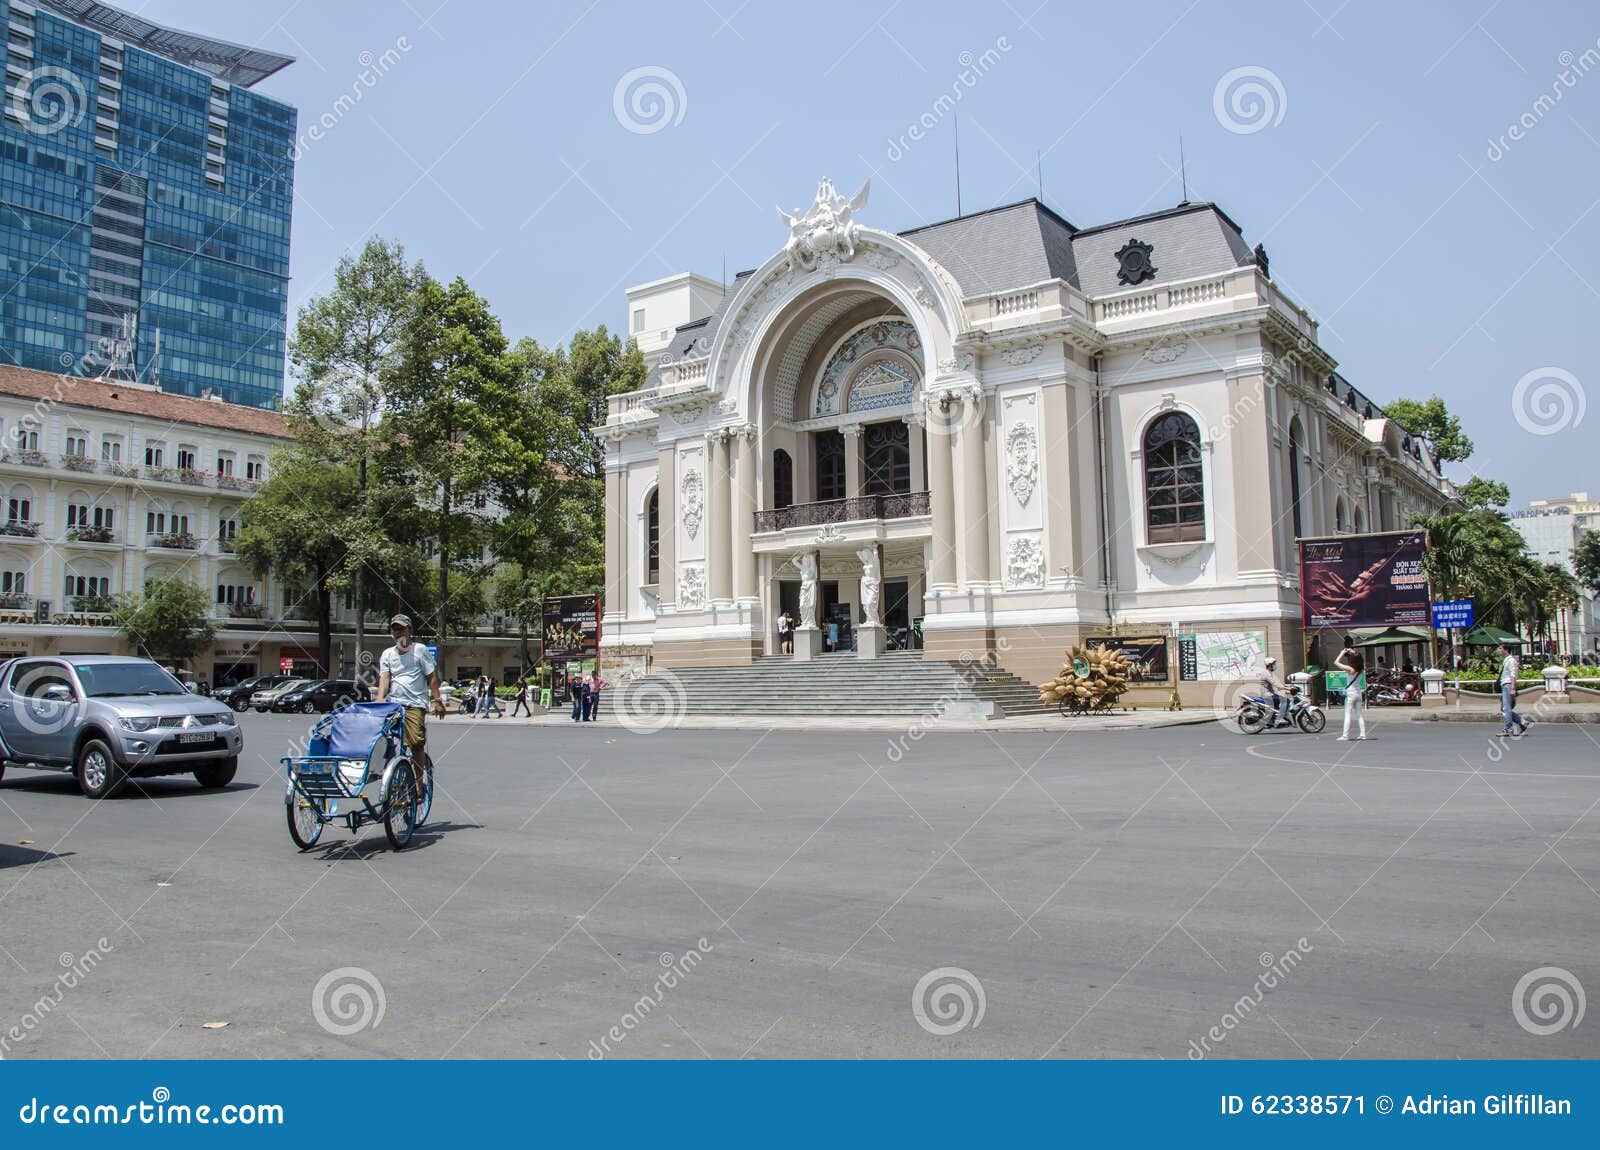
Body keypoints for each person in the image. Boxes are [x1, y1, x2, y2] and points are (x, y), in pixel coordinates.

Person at [375, 614, 446, 774]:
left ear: (410, 631)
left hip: (415, 704)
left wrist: (438, 700)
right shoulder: (387, 654)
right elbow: (385, 678)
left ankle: (419, 783)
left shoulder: (419, 650)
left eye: (401, 629)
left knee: (416, 743)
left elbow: (432, 677)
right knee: (382, 738)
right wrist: (380, 698)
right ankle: (392, 770)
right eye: (395, 630)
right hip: (394, 704)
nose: (398, 633)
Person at [1335, 645, 1367, 741]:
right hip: (1358, 693)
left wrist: (1342, 653)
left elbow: (1336, 662)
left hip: (1351, 693)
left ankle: (1345, 735)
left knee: (1347, 714)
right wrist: (1352, 652)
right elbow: (1358, 658)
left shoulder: (1350, 669)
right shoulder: (1361, 669)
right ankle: (1363, 734)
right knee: (1359, 714)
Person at [1496, 643, 1529, 737]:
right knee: (1504, 708)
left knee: (1506, 708)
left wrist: (1513, 688)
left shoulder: (1511, 661)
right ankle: (1522, 722)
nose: (1499, 650)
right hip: (1505, 685)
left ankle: (1508, 729)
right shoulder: (1507, 660)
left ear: (1505, 650)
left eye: (1500, 648)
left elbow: (1513, 675)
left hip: (1508, 685)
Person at [1258, 656, 1291, 728]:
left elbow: (1274, 683)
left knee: (1277, 707)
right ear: (1269, 665)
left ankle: (1272, 719)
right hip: (1268, 695)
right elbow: (1274, 683)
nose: (1275, 666)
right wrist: (1283, 687)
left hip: (1269, 694)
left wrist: (1285, 687)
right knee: (1286, 700)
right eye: (1274, 664)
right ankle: (1279, 719)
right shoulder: (1266, 673)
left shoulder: (1268, 672)